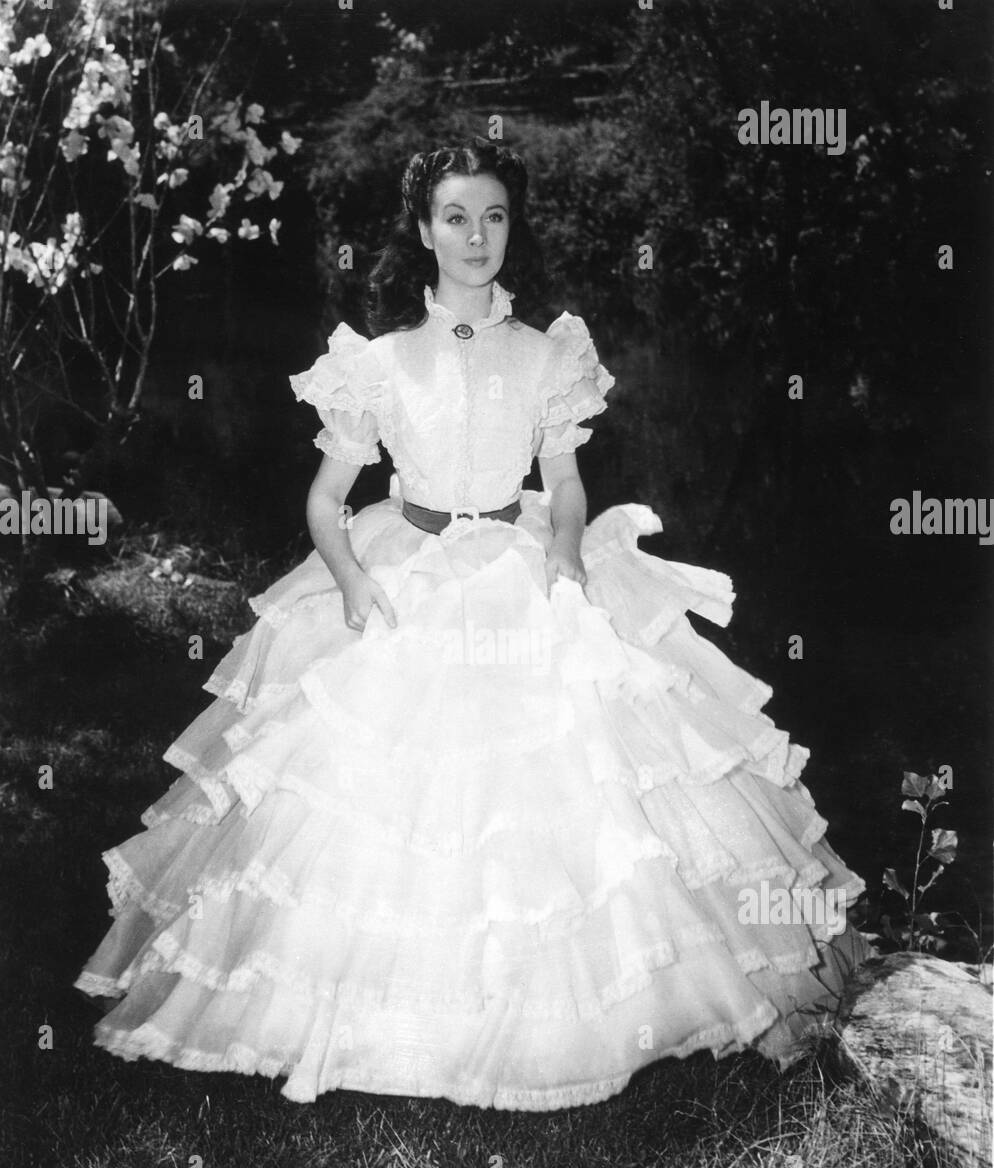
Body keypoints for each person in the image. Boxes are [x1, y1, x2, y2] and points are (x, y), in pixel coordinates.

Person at [75, 139, 867, 1110]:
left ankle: (594, 1001)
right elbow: (326, 502)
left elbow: (566, 483)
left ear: (510, 226)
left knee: (592, 763)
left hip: (515, 553)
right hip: (404, 561)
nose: (475, 236)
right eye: (454, 216)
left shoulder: (546, 354)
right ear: (422, 231)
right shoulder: (378, 362)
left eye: (492, 215)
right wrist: (355, 585)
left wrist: (567, 555)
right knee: (365, 772)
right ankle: (386, 1008)